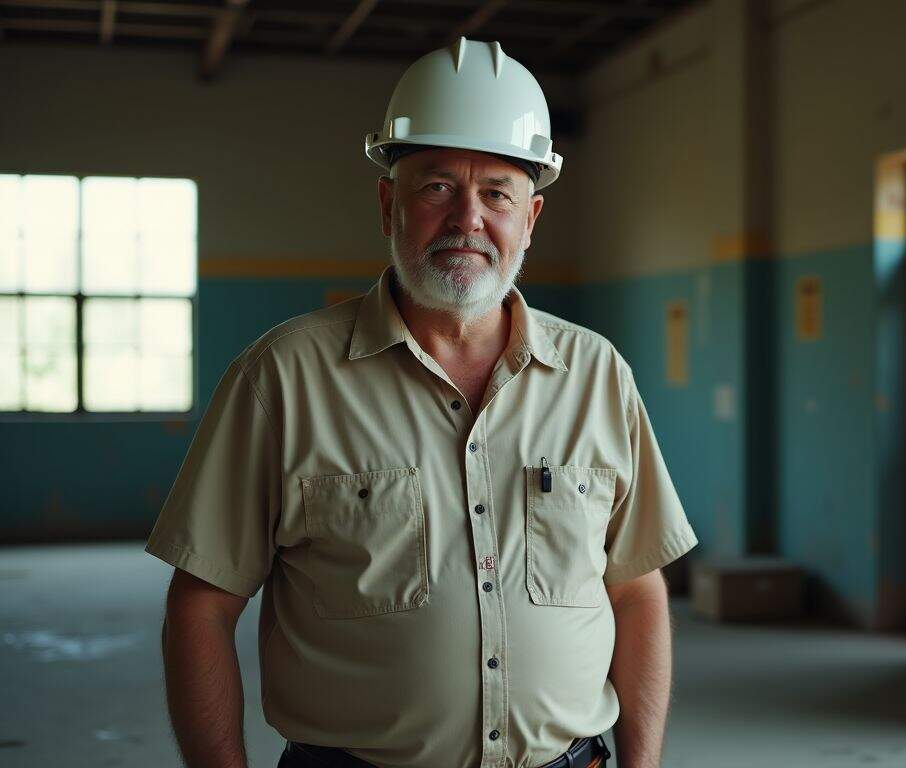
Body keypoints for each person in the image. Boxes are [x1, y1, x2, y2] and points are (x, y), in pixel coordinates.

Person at [146, 38, 697, 768]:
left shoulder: (597, 375)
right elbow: (201, 605)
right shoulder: (282, 377)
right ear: (388, 203)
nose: (467, 219)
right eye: (437, 187)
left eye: (497, 193)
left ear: (530, 219)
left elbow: (637, 592)